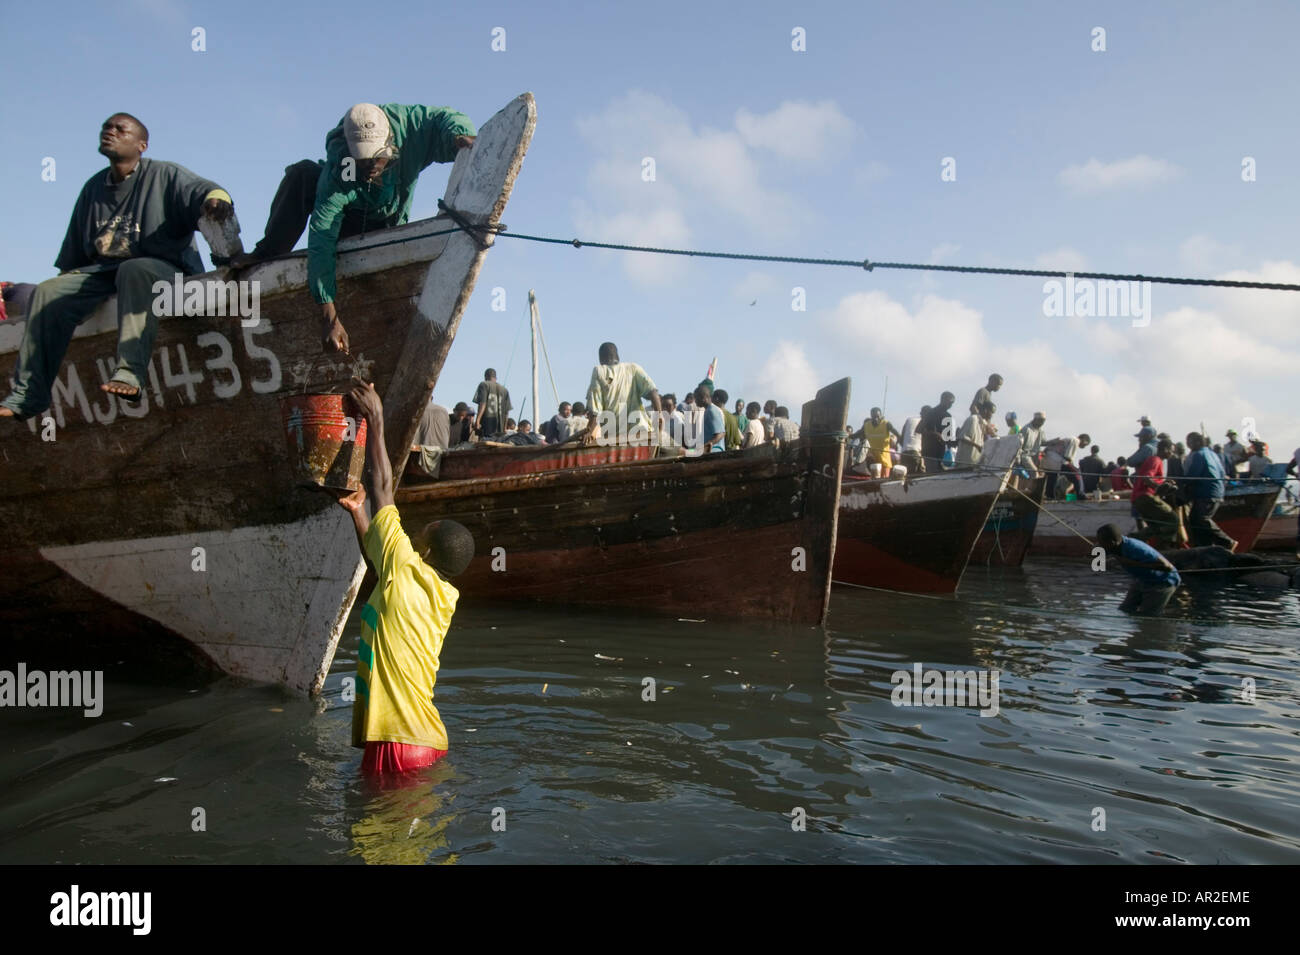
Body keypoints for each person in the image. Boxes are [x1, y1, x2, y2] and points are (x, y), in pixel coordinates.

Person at [2, 113, 236, 417]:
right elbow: (72, 259)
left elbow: (206, 191)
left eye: (119, 129)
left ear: (142, 144)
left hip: (166, 268)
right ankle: (29, 395)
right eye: (105, 127)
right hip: (103, 272)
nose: (109, 132)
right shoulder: (92, 189)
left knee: (134, 270)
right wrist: (69, 302)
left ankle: (130, 373)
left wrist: (217, 199)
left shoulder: (164, 175)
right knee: (48, 291)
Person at [232, 103, 476, 355]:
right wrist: (329, 315)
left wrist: (458, 135)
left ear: (391, 141)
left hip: (386, 225)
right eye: (363, 160)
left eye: (377, 157)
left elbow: (443, 119)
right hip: (348, 224)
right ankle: (265, 254)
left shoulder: (410, 129)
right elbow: (322, 236)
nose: (371, 165)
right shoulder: (339, 173)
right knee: (302, 175)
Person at [336, 379, 475, 775]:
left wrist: (376, 418)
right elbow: (382, 566)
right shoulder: (439, 595)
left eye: (420, 535)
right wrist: (359, 513)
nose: (412, 538)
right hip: (427, 745)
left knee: (376, 838)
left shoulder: (406, 566)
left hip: (398, 748)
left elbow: (381, 485)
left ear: (425, 552)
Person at [581, 342, 661, 445]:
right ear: (617, 356)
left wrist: (590, 432)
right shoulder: (633, 368)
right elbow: (653, 392)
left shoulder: (599, 371)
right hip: (641, 431)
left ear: (601, 359)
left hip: (614, 437)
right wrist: (659, 416)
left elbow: (595, 409)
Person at [1096, 523, 1180, 616]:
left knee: (1148, 616)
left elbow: (1168, 567)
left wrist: (1132, 563)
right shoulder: (1116, 546)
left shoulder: (1136, 548)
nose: (1100, 545)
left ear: (1112, 542)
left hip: (1162, 582)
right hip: (1143, 579)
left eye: (1101, 543)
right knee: (1125, 610)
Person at [1184, 432, 1237, 550]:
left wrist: (1180, 484)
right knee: (1196, 521)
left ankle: (1227, 541)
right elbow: (1223, 473)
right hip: (1217, 492)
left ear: (1197, 442)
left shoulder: (1198, 455)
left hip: (1206, 493)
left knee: (1200, 519)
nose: (1188, 444)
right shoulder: (1212, 453)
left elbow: (1192, 475)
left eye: (1189, 441)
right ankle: (1206, 547)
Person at [1132, 438, 1179, 548]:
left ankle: (1131, 539)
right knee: (1172, 519)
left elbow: (1152, 478)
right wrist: (1160, 487)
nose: (1172, 454)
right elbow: (1146, 478)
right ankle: (1166, 548)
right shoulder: (1155, 460)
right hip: (1146, 496)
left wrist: (1165, 482)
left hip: (1139, 499)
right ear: (1166, 449)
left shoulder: (1156, 461)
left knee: (1156, 526)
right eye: (1171, 451)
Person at [410, 397, 451, 477]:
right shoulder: (443, 411)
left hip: (419, 457)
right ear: (432, 398)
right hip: (443, 453)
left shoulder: (417, 411)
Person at [470, 368, 511, 438]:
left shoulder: (484, 384)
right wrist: (504, 428)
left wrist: (478, 420)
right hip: (499, 429)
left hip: (487, 425)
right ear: (496, 377)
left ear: (485, 377)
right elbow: (507, 411)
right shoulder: (505, 390)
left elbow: (482, 403)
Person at [921, 392, 956, 471]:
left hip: (942, 454)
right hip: (930, 453)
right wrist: (935, 434)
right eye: (950, 402)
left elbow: (949, 438)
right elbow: (919, 430)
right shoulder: (930, 413)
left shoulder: (948, 416)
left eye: (952, 403)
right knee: (931, 477)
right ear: (943, 400)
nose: (951, 405)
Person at [955, 401, 993, 467]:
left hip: (975, 463)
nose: (992, 415)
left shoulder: (983, 423)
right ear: (986, 410)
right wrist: (977, 446)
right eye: (991, 412)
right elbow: (962, 437)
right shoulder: (973, 419)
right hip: (965, 462)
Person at [695, 382, 725, 453]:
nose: (695, 401)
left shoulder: (712, 411)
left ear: (703, 398)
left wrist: (707, 445)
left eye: (696, 398)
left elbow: (721, 434)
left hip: (715, 452)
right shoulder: (707, 410)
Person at [898, 406, 926, 474]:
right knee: (915, 476)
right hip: (916, 452)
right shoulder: (925, 422)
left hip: (904, 452)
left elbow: (901, 438)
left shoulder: (909, 420)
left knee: (905, 475)